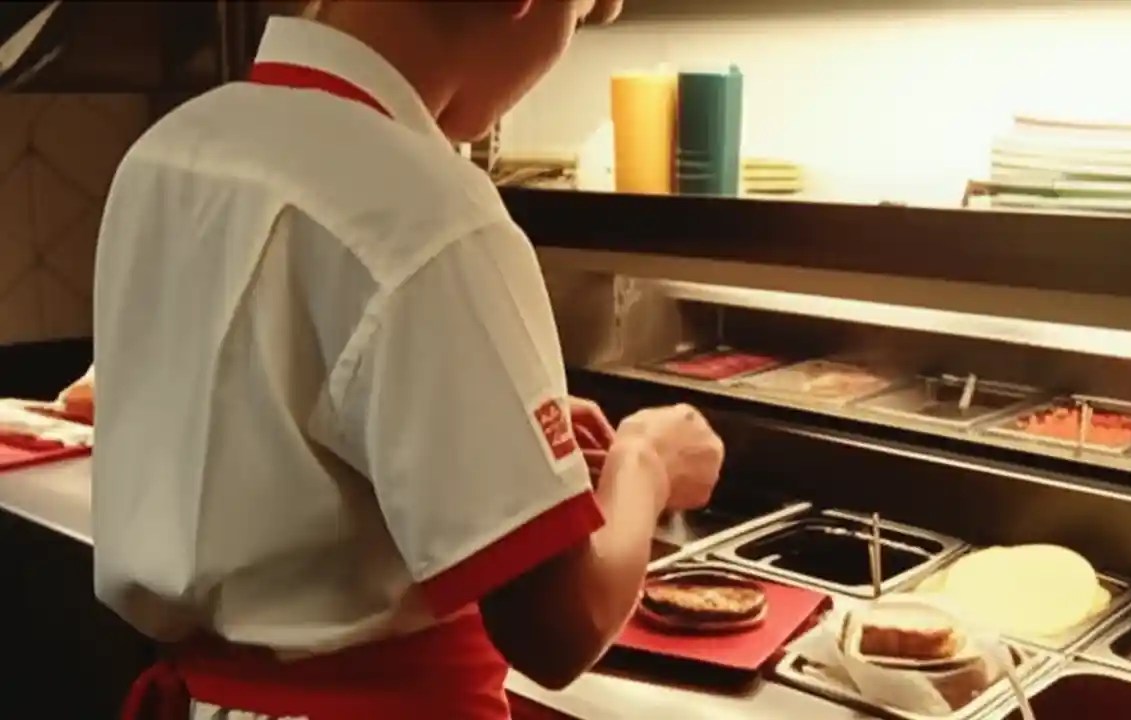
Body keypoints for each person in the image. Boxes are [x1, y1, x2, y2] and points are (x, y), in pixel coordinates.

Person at [93, 2, 726, 719]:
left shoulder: (169, 150)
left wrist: (492, 434)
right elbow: (556, 629)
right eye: (582, 13)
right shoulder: (431, 209)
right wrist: (647, 461)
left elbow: (259, 418)